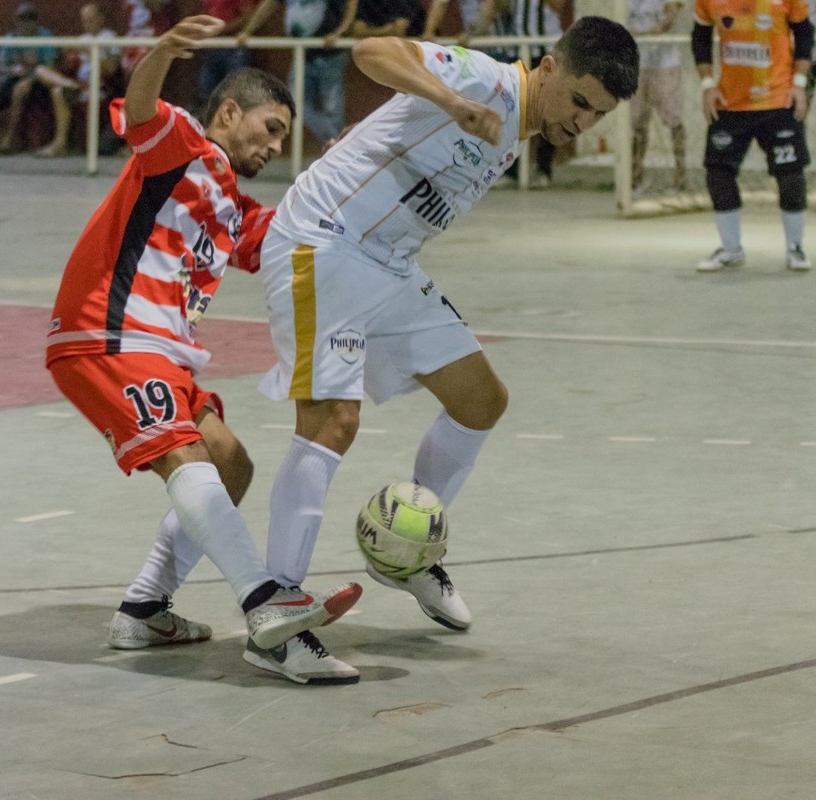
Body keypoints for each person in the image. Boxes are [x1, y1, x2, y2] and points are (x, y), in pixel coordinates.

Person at [252, 17, 638, 683]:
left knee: (481, 399)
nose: (583, 122)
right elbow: (370, 51)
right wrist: (450, 100)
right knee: (330, 421)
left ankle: (406, 549)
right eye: (578, 100)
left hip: (389, 264)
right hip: (325, 240)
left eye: (597, 113)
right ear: (547, 67)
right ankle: (274, 614)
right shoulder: (481, 80)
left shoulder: (521, 131)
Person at [45, 15, 362, 682]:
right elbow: (137, 111)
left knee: (229, 463)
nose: (277, 145)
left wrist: (348, 173)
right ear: (226, 112)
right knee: (185, 456)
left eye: (284, 135)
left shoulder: (234, 207)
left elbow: (292, 237)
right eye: (269, 128)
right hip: (111, 331)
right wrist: (162, 51)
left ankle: (146, 609)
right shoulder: (182, 146)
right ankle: (263, 600)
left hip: (165, 347)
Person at [693, 0, 815, 272]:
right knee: (718, 172)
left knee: (791, 173)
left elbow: (804, 32)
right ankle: (731, 249)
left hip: (778, 100)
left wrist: (799, 84)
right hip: (730, 102)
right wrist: (707, 84)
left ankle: (795, 247)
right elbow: (700, 35)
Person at [472, 0, 570, 187]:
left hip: (545, 47)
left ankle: (544, 169)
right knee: (513, 110)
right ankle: (512, 169)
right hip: (518, 48)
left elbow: (558, 6)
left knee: (549, 112)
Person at [236, 0, 358, 146]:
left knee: (332, 110)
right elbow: (269, 4)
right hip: (303, 54)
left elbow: (351, 2)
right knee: (295, 104)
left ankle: (342, 146)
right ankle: (342, 143)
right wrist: (247, 31)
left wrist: (341, 32)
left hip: (330, 54)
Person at [33, 2, 121, 157]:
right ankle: (59, 144)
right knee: (46, 77)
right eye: (85, 20)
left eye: (91, 20)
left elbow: (112, 68)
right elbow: (69, 67)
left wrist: (89, 51)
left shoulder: (110, 38)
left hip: (97, 87)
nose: (88, 24)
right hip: (77, 84)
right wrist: (69, 56)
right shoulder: (82, 39)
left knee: (59, 92)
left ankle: (70, 87)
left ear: (101, 19)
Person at [0, 2, 59, 156]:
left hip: (36, 82)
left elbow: (50, 66)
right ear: (16, 21)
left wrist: (30, 73)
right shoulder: (10, 38)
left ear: (36, 22)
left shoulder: (45, 36)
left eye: (30, 19)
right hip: (10, 80)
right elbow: (1, 66)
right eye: (22, 19)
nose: (26, 24)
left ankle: (8, 139)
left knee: (20, 90)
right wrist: (13, 69)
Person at [627, 0, 686, 194]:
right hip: (638, 60)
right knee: (636, 120)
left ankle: (680, 175)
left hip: (664, 60)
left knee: (672, 115)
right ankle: (635, 176)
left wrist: (651, 32)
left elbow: (671, 15)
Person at [195, 0, 256, 108]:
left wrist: (221, 29)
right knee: (206, 92)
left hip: (233, 47)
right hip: (211, 47)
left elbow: (247, 16)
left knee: (235, 93)